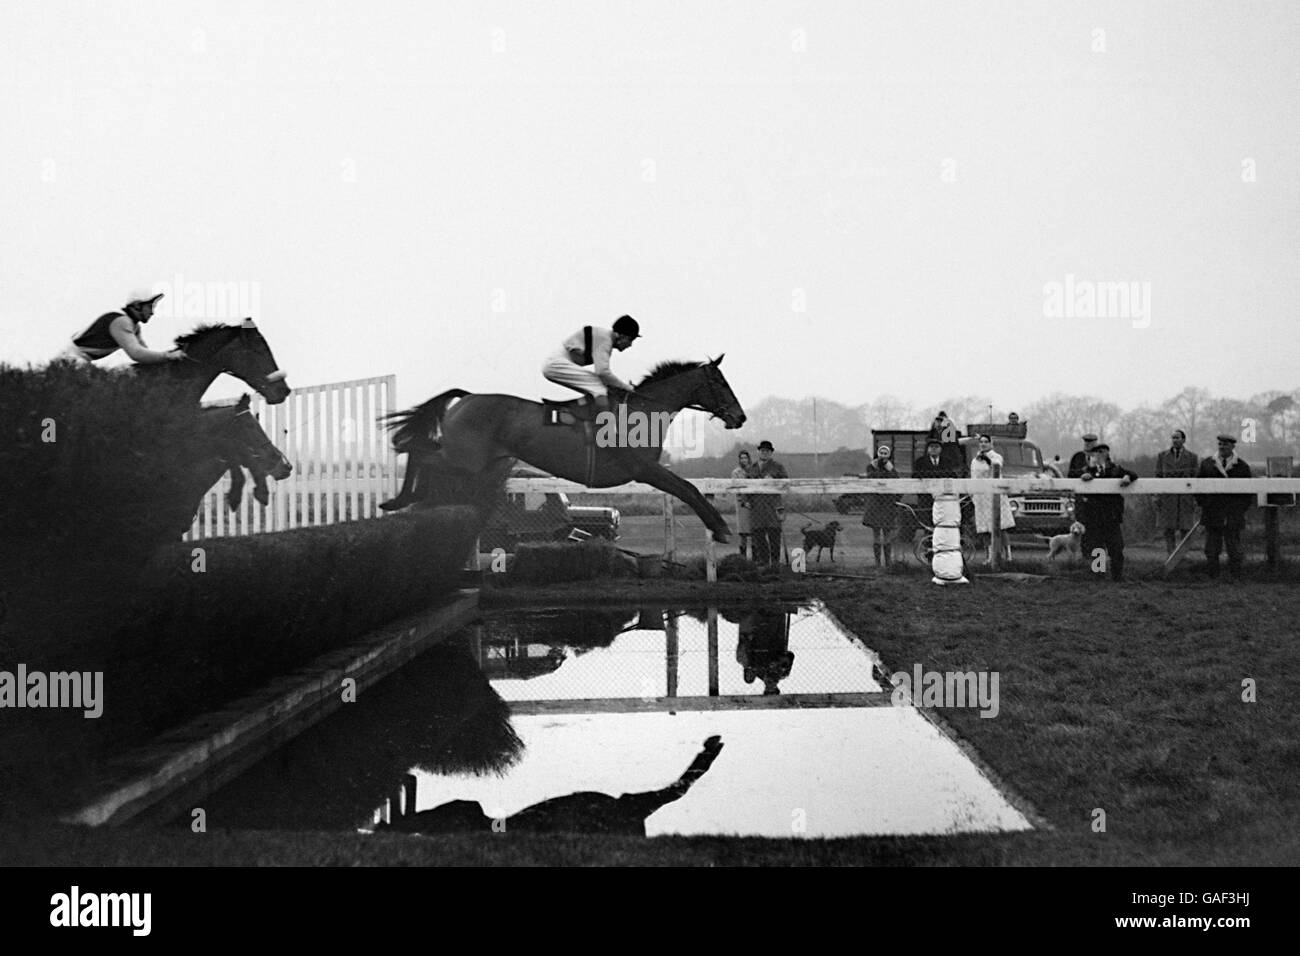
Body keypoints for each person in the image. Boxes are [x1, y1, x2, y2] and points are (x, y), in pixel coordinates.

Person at [541, 315, 640, 413]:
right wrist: (626, 387)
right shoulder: (605, 340)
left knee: (598, 388)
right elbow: (603, 372)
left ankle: (582, 417)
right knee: (600, 388)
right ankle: (603, 427)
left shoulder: (604, 338)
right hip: (555, 364)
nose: (630, 345)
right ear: (621, 336)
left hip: (556, 363)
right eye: (630, 339)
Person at [64, 290, 185, 364]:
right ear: (137, 306)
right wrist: (168, 356)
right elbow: (136, 354)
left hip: (81, 359)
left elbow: (145, 354)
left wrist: (168, 355)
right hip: (71, 358)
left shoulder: (134, 326)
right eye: (150, 307)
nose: (152, 312)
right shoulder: (122, 321)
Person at [1077, 443, 1138, 582]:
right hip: (1095, 516)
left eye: (1100, 452)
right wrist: (1084, 476)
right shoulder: (1088, 470)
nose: (1097, 455)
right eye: (1095, 453)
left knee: (1116, 548)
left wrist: (1127, 477)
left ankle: (1117, 576)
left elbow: (1134, 474)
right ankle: (1098, 576)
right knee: (1097, 548)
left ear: (1106, 453)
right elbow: (1076, 477)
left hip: (1112, 516)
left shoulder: (1116, 469)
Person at [1195, 434, 1253, 579]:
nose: (1221, 447)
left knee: (1234, 546)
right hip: (1212, 511)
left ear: (1233, 446)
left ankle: (1235, 576)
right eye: (1220, 444)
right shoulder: (1207, 464)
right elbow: (1198, 487)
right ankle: (1213, 576)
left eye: (1225, 444)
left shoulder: (1242, 466)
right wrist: (1205, 504)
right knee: (1212, 547)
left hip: (1233, 512)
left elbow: (1248, 493)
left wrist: (1239, 510)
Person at [970, 434, 1015, 562]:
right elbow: (974, 477)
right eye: (981, 442)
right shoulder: (975, 461)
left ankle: (1008, 555)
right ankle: (989, 556)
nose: (983, 444)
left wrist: (987, 459)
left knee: (1001, 526)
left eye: (986, 442)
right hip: (981, 498)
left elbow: (997, 467)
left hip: (995, 496)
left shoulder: (996, 457)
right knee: (984, 528)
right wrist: (973, 494)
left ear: (990, 443)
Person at [1155, 428, 1199, 555]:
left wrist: (1195, 499)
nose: (1175, 440)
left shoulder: (1192, 457)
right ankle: (1170, 556)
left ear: (1183, 440)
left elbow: (1195, 478)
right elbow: (1158, 476)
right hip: (1168, 498)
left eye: (1177, 437)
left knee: (1185, 528)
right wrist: (1157, 496)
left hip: (1185, 498)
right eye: (1173, 438)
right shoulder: (1162, 456)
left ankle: (1181, 556)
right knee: (1168, 529)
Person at [748, 440, 788, 567]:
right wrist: (746, 501)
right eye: (762, 451)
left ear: (771, 453)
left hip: (773, 505)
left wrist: (774, 480)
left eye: (767, 451)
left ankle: (775, 562)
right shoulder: (752, 468)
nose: (764, 453)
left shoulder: (778, 467)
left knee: (774, 534)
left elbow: (786, 482)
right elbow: (745, 485)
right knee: (758, 534)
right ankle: (764, 561)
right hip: (757, 506)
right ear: (758, 452)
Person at [861, 444, 901, 566]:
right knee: (876, 533)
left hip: (888, 504)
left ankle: (888, 562)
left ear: (889, 455)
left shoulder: (891, 468)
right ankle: (878, 562)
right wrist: (879, 470)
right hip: (875, 504)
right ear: (878, 454)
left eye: (885, 453)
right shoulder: (871, 466)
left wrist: (889, 470)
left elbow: (895, 481)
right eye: (881, 453)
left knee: (887, 533)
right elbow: (872, 480)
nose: (883, 456)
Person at [730, 450, 757, 559]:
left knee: (754, 531)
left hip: (753, 504)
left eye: (745, 458)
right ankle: (743, 557)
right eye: (741, 458)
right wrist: (743, 501)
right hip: (742, 505)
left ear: (749, 459)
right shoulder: (736, 473)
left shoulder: (754, 470)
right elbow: (736, 489)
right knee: (743, 533)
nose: (743, 460)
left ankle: (756, 557)